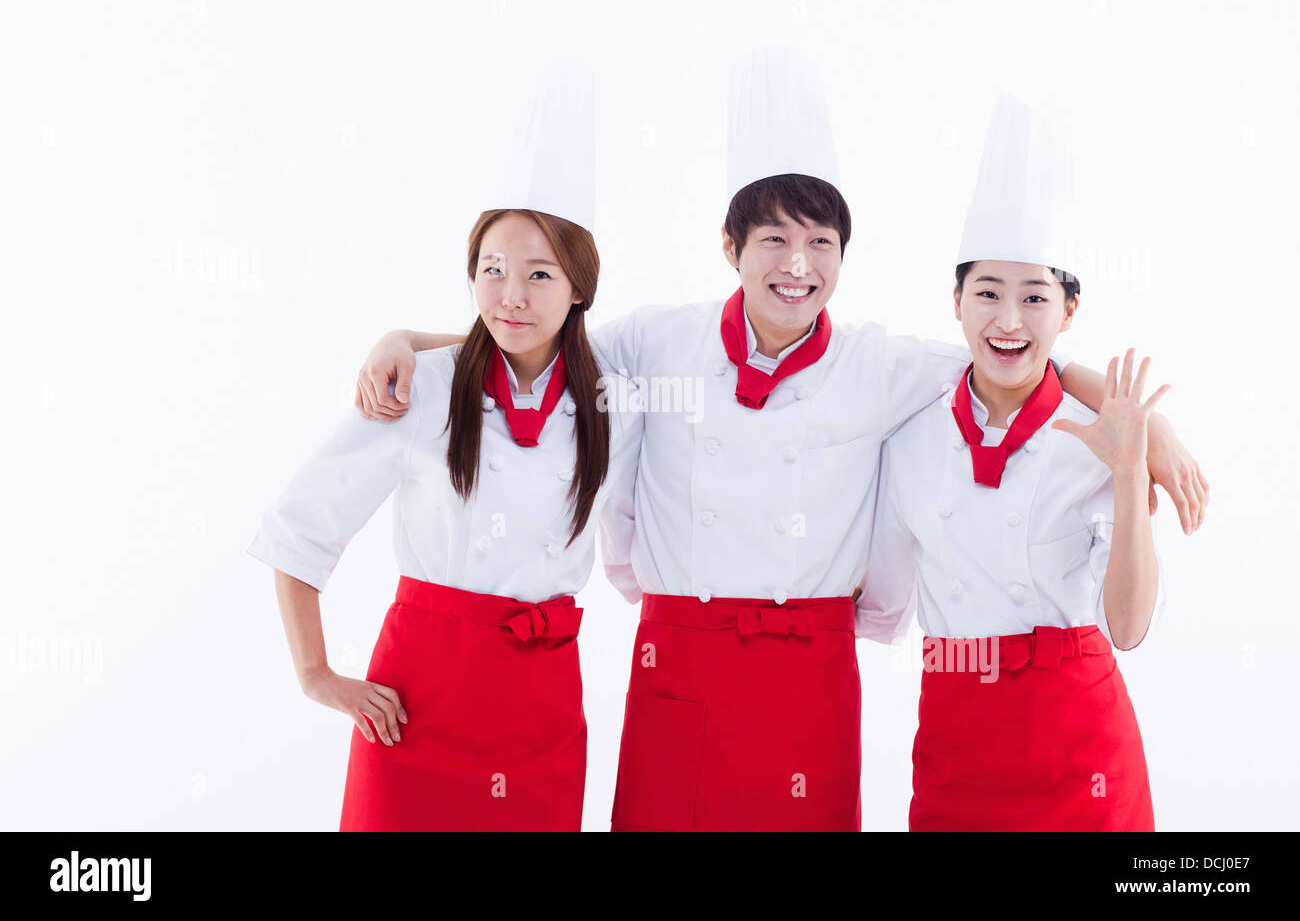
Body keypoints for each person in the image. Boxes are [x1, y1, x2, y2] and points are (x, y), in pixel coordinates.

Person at [351, 59, 1207, 831]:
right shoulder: (658, 345)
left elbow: (1009, 354)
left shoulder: (877, 363)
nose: (798, 265)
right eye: (774, 240)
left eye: (820, 244)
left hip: (810, 688)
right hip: (678, 672)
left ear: (842, 255)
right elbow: (537, 345)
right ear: (730, 246)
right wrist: (414, 338)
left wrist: (1147, 427)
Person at [247, 66, 643, 830]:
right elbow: (300, 528)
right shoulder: (420, 389)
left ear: (580, 288)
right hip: (416, 709)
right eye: (491, 272)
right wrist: (317, 677)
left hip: (541, 717)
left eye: (538, 274)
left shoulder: (615, 402)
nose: (511, 295)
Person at [858, 94, 1166, 830]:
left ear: (1068, 313)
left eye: (1035, 297)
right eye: (988, 293)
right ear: (956, 301)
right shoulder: (910, 444)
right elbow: (880, 606)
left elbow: (1127, 627)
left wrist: (1130, 470)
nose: (1008, 320)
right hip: (959, 746)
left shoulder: (1101, 436)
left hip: (1081, 745)